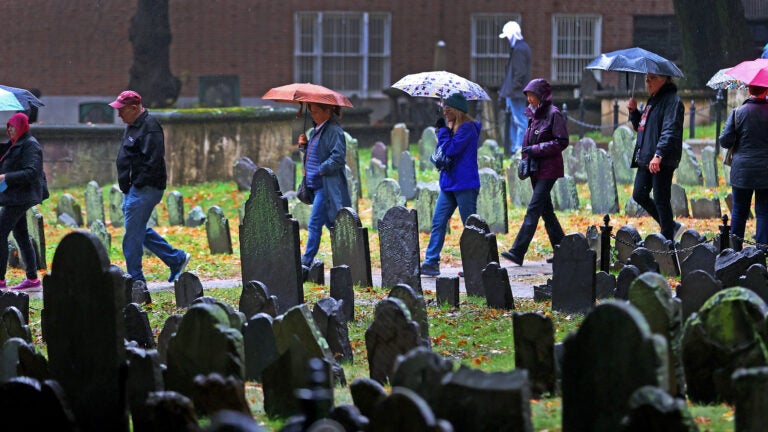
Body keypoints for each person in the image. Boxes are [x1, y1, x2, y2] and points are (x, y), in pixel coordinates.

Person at [110, 90, 190, 285]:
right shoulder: (132, 125)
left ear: (134, 108)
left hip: (145, 188)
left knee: (131, 236)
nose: (119, 114)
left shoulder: (150, 127)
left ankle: (136, 281)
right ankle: (176, 258)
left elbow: (152, 162)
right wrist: (127, 185)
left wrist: (136, 183)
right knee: (136, 229)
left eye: (122, 110)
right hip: (132, 188)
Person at [501, 79, 567, 266]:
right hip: (535, 169)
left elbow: (561, 141)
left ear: (542, 96)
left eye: (533, 95)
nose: (529, 99)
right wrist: (525, 159)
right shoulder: (532, 115)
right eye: (528, 95)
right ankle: (563, 250)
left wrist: (536, 149)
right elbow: (527, 141)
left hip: (549, 169)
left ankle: (517, 251)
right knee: (547, 212)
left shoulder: (554, 114)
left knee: (533, 209)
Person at [420, 93, 481, 276]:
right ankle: (431, 262)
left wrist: (443, 132)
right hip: (448, 184)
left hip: (465, 184)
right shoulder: (452, 126)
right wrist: (445, 130)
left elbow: (451, 149)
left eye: (448, 110)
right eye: (444, 109)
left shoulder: (468, 128)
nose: (445, 113)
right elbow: (443, 151)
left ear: (457, 111)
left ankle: (476, 264)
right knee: (438, 222)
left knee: (470, 226)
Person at [626, 73, 686, 243]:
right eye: (646, 78)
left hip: (662, 158)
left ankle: (667, 240)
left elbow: (670, 130)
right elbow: (644, 128)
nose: (648, 82)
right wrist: (634, 113)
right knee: (639, 194)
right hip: (646, 157)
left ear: (665, 79)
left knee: (661, 198)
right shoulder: (653, 100)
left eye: (652, 78)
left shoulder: (673, 101)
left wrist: (659, 154)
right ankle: (671, 226)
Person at [297, 102, 351, 267]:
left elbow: (338, 158)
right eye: (311, 112)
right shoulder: (316, 131)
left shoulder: (334, 131)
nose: (312, 115)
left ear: (327, 111)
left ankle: (306, 260)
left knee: (314, 222)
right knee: (332, 224)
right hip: (315, 185)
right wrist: (303, 146)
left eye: (315, 112)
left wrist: (320, 170)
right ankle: (348, 253)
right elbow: (315, 155)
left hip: (325, 187)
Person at [0, 113, 49, 290]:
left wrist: (6, 176)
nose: (10, 130)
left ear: (21, 126)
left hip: (21, 197)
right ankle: (32, 280)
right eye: (8, 127)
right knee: (21, 234)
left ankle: (1, 281)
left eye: (12, 127)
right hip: (15, 196)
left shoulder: (30, 145)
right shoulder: (16, 144)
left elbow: (32, 172)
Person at [719, 84, 768, 251]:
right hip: (765, 171)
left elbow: (725, 141)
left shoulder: (737, 113)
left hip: (742, 172)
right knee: (764, 213)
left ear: (749, 90)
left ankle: (734, 252)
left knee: (739, 211)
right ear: (766, 90)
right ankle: (761, 253)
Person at [498, 20, 531, 156]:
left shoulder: (519, 49)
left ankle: (518, 148)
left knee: (519, 120)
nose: (506, 38)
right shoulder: (520, 48)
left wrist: (511, 90)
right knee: (512, 120)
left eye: (507, 35)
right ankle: (513, 148)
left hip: (516, 93)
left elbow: (520, 73)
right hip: (514, 92)